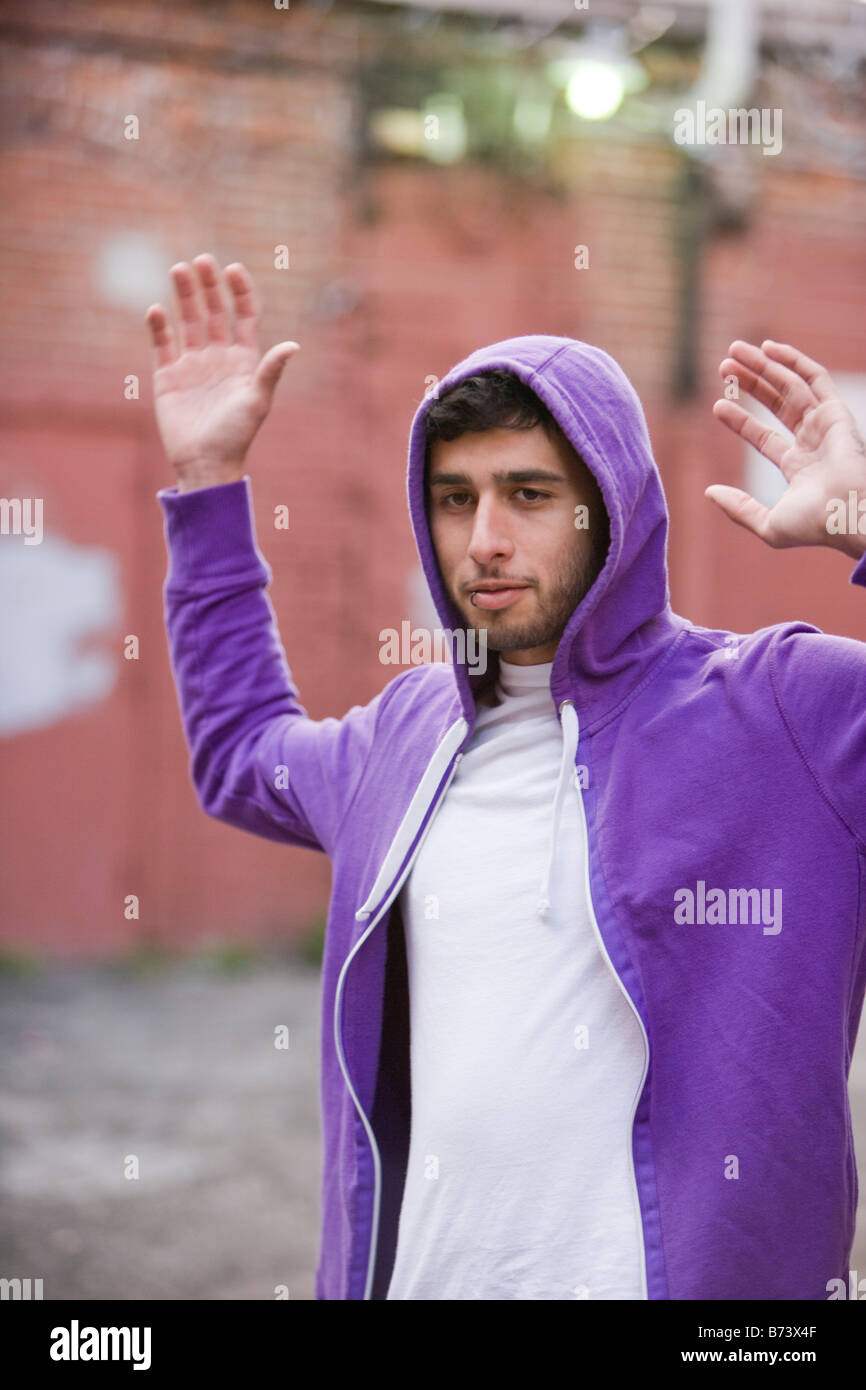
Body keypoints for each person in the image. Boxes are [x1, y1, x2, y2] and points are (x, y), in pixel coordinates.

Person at [147, 253, 866, 1301]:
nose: (481, 540)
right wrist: (208, 488)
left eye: (528, 494)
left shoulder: (778, 707)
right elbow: (241, 755)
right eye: (453, 499)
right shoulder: (405, 734)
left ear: (608, 507)